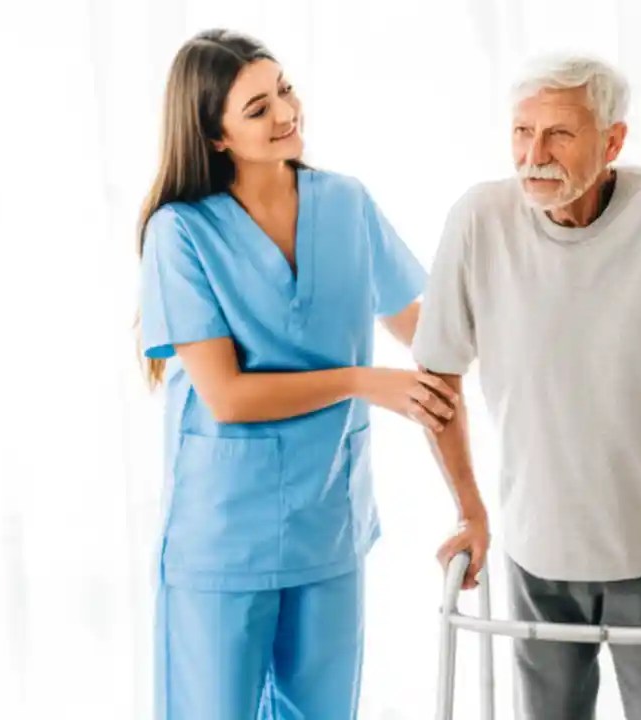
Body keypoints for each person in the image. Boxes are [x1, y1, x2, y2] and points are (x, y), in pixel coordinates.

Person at [412, 54, 641, 720]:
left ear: (613, 140)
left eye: (558, 134)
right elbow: (437, 380)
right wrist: (469, 508)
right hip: (537, 554)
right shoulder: (478, 220)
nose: (534, 155)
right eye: (522, 132)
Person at [136, 29, 456, 719]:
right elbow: (226, 395)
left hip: (327, 522)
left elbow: (426, 332)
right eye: (257, 109)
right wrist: (361, 381)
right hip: (223, 535)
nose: (286, 113)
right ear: (214, 135)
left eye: (284, 89)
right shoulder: (182, 232)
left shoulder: (346, 204)